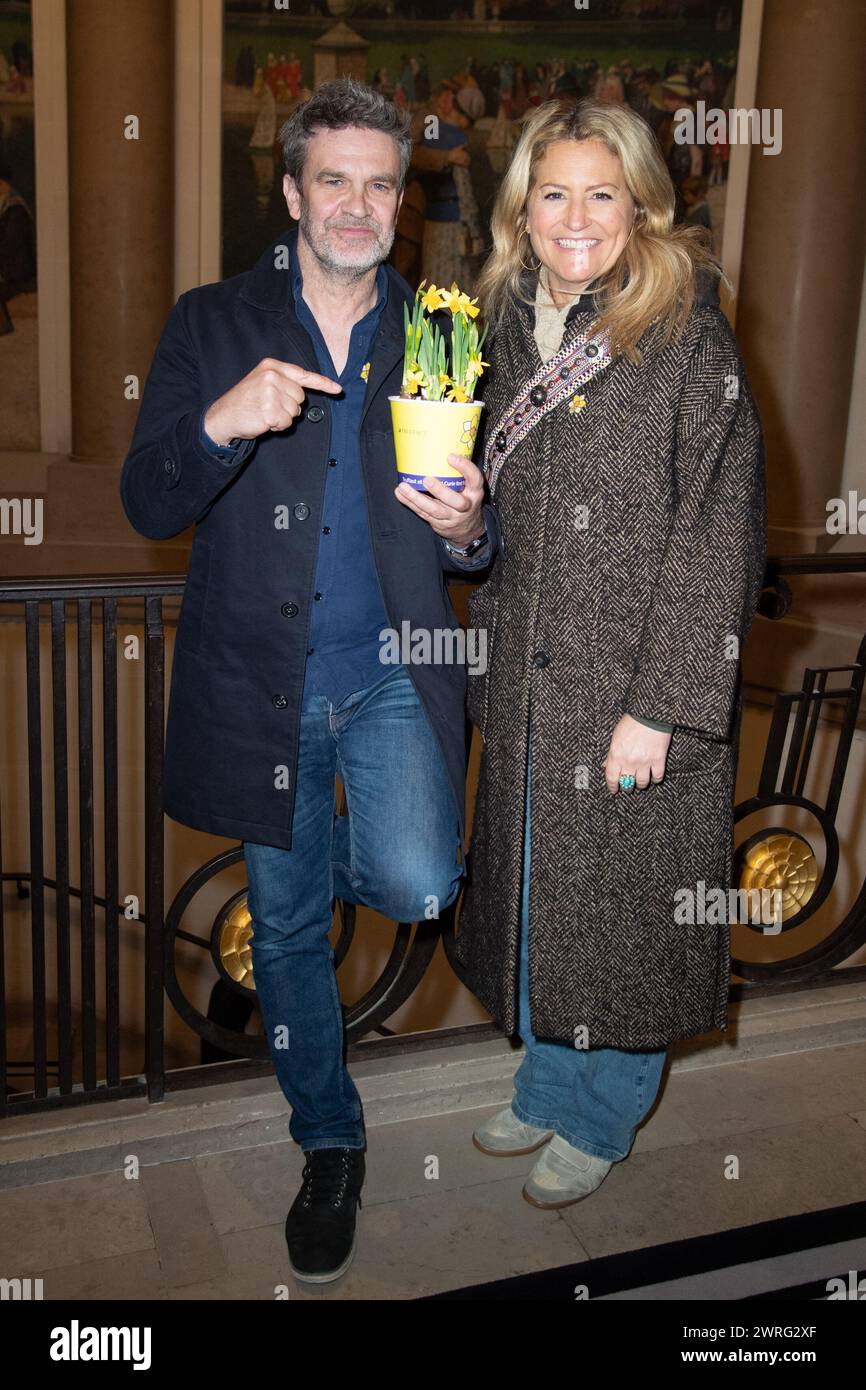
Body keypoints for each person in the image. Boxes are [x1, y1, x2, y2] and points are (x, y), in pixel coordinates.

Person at [120, 77, 500, 1283]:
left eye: (378, 183)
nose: (354, 203)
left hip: (392, 670)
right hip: (262, 682)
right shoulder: (209, 321)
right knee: (285, 925)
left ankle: (309, 844)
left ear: (400, 198)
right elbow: (147, 498)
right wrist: (221, 424)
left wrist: (468, 525)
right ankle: (327, 1138)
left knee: (417, 872)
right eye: (330, 178)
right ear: (290, 191)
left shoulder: (437, 326)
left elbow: (474, 541)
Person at [456, 98, 767, 1208]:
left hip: (634, 690)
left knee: (626, 921)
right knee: (543, 898)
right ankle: (544, 1081)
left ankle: (599, 1116)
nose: (574, 215)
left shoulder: (685, 331)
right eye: (552, 192)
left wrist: (664, 706)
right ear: (520, 209)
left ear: (639, 203)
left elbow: (718, 532)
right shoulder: (494, 323)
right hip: (530, 681)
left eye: (601, 192)